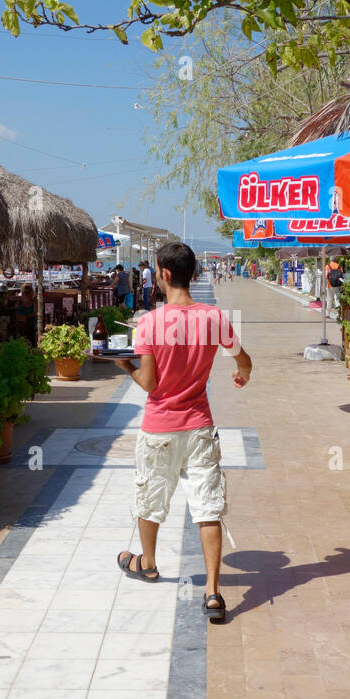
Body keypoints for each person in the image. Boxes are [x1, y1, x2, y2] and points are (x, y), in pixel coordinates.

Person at [110, 242, 253, 623]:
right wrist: (242, 374)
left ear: (165, 274)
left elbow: (149, 384)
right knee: (208, 507)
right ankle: (212, 592)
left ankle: (149, 563)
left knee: (151, 496)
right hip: (200, 426)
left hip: (159, 426)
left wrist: (124, 364)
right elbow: (244, 360)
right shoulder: (214, 318)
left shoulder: (151, 323)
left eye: (157, 271)